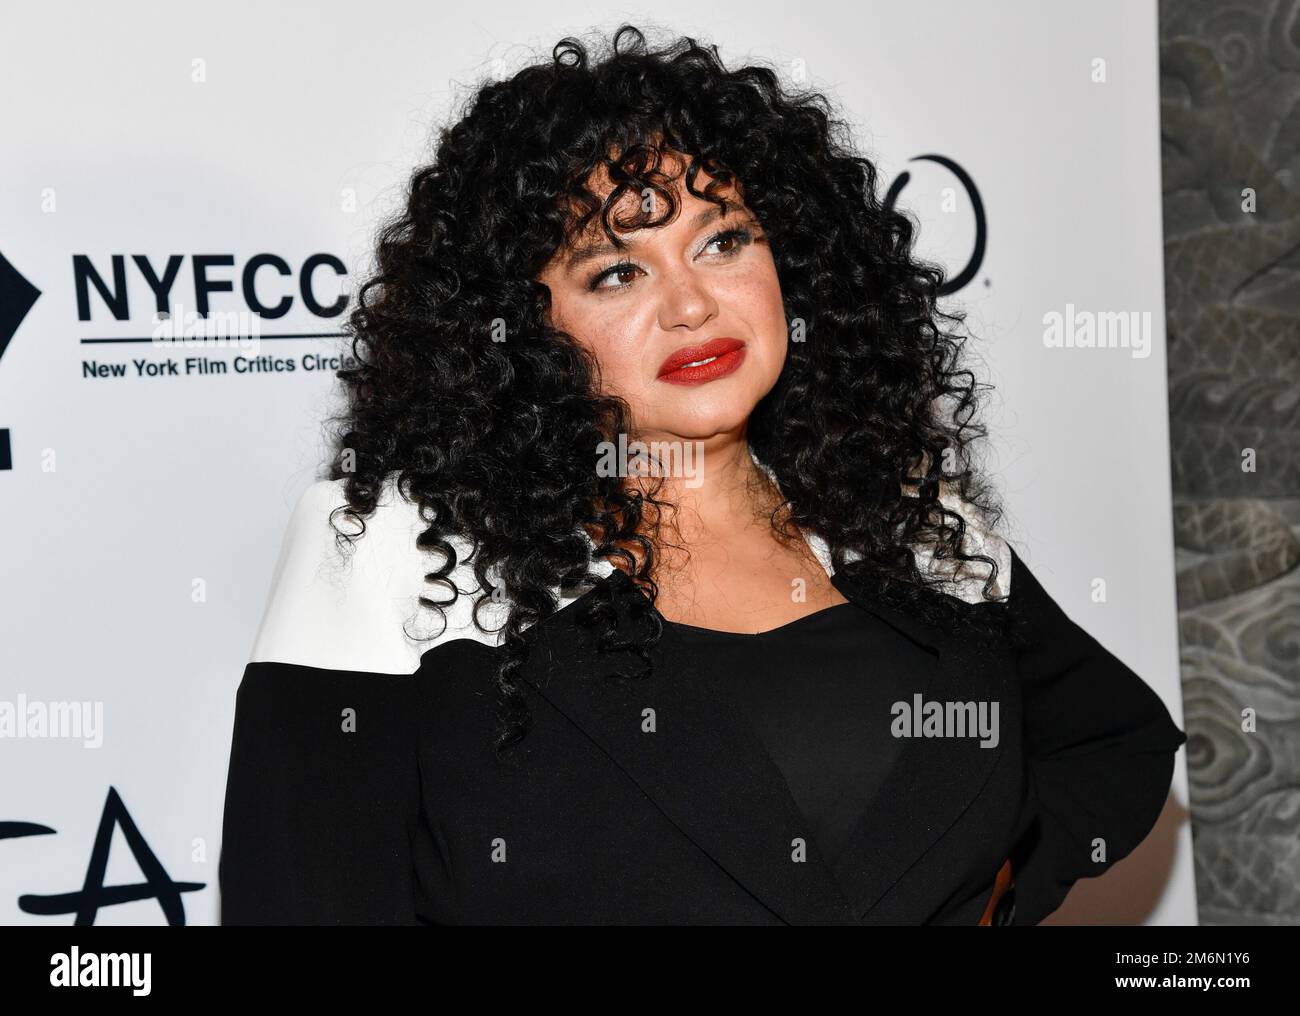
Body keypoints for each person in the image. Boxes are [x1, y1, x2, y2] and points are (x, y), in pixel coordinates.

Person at [218, 24, 1186, 925]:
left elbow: (1116, 744)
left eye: (722, 241)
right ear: (517, 323)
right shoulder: (392, 551)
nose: (690, 304)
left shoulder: (905, 521)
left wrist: (994, 893)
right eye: (615, 272)